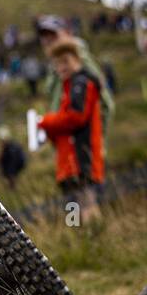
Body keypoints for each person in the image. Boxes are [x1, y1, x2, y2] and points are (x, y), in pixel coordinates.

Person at [39, 38, 104, 224]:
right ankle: (84, 241)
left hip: (80, 158)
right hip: (71, 160)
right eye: (57, 63)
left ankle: (93, 239)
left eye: (66, 61)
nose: (62, 67)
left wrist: (46, 122)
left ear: (77, 59)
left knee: (87, 203)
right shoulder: (70, 87)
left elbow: (75, 117)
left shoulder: (81, 84)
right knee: (77, 207)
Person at [36, 16, 114, 130]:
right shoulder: (54, 65)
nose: (48, 40)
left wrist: (93, 139)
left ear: (65, 34)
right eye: (44, 36)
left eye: (53, 35)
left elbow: (106, 103)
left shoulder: (78, 58)